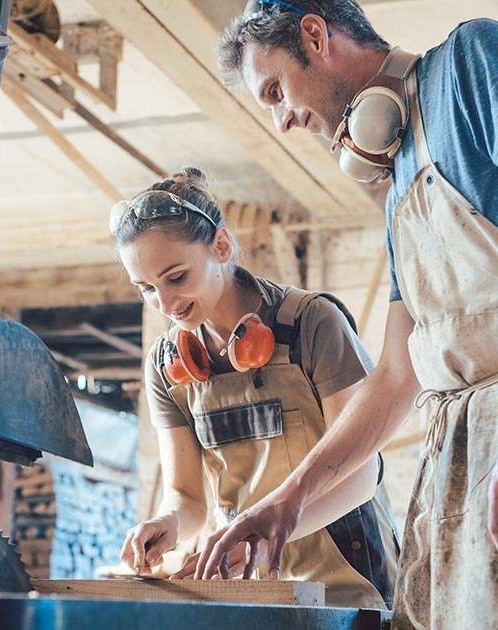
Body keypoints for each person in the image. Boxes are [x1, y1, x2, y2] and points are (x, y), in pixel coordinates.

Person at [194, 2, 498, 628]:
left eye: (277, 90)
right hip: (461, 449)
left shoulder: (474, 60)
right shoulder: (397, 184)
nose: (283, 119)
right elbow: (395, 377)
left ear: (315, 34)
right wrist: (286, 500)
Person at [110, 167, 400, 610]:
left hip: (346, 581)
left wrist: (257, 540)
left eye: (176, 277)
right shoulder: (165, 366)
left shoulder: (311, 324)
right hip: (247, 584)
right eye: (146, 288)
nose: (165, 305)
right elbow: (189, 498)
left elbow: (361, 475)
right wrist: (169, 522)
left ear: (221, 246)